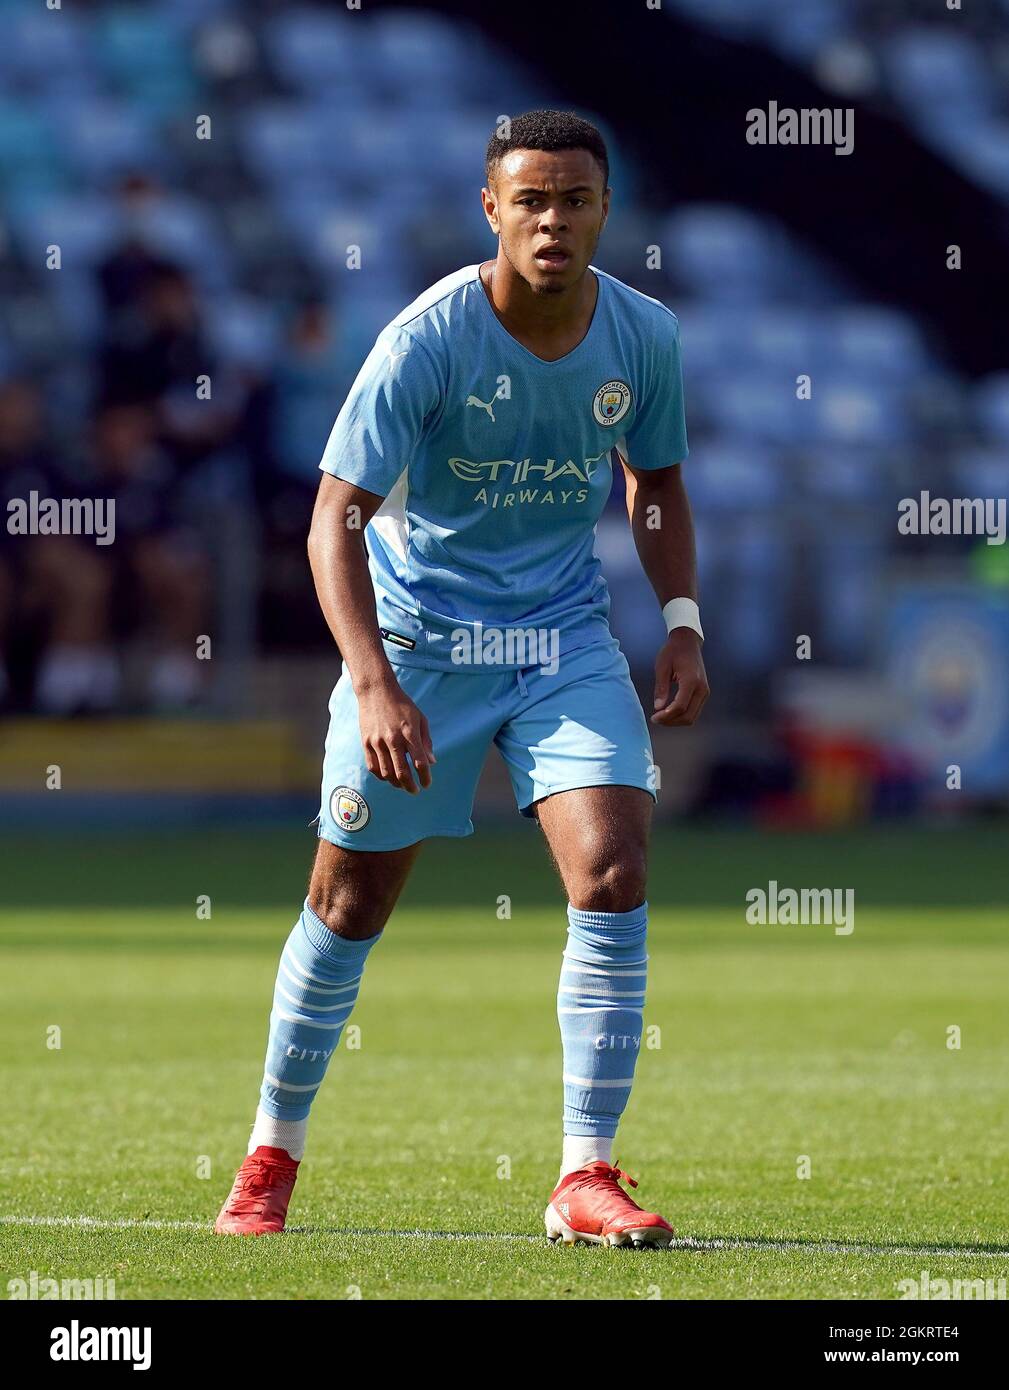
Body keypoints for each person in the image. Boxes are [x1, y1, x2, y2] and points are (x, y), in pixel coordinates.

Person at [216, 110, 709, 1247]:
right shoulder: (428, 338)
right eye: (529, 199)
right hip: (421, 642)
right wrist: (374, 681)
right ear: (491, 208)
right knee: (348, 904)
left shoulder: (643, 336)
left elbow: (658, 481)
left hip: (560, 637)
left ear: (603, 211)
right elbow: (335, 514)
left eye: (573, 200)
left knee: (614, 868)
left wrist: (679, 621)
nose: (552, 219)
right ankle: (269, 1155)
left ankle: (584, 1172)